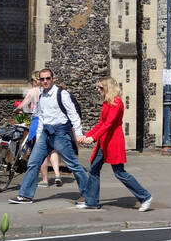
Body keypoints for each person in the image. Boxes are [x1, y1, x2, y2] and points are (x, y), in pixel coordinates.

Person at [9, 68, 90, 204]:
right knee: (33, 163)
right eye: (42, 79)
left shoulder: (62, 94)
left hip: (60, 133)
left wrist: (79, 134)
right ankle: (25, 195)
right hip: (45, 133)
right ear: (39, 80)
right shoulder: (40, 95)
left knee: (73, 164)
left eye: (48, 78)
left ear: (53, 79)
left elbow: (73, 114)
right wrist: (40, 135)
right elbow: (39, 116)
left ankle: (89, 194)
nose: (45, 81)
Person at [79, 77, 152, 211]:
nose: (98, 90)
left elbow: (108, 124)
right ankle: (91, 202)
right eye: (98, 87)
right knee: (94, 168)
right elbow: (101, 123)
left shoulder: (116, 102)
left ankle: (145, 197)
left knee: (120, 173)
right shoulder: (107, 102)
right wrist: (87, 136)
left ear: (108, 88)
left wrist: (93, 138)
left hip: (113, 140)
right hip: (104, 140)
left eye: (100, 87)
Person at [21, 72, 63, 186]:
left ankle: (44, 180)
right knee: (53, 149)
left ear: (35, 81)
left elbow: (23, 106)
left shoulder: (33, 91)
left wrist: (19, 110)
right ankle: (57, 175)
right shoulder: (48, 92)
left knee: (41, 150)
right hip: (51, 122)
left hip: (37, 121)